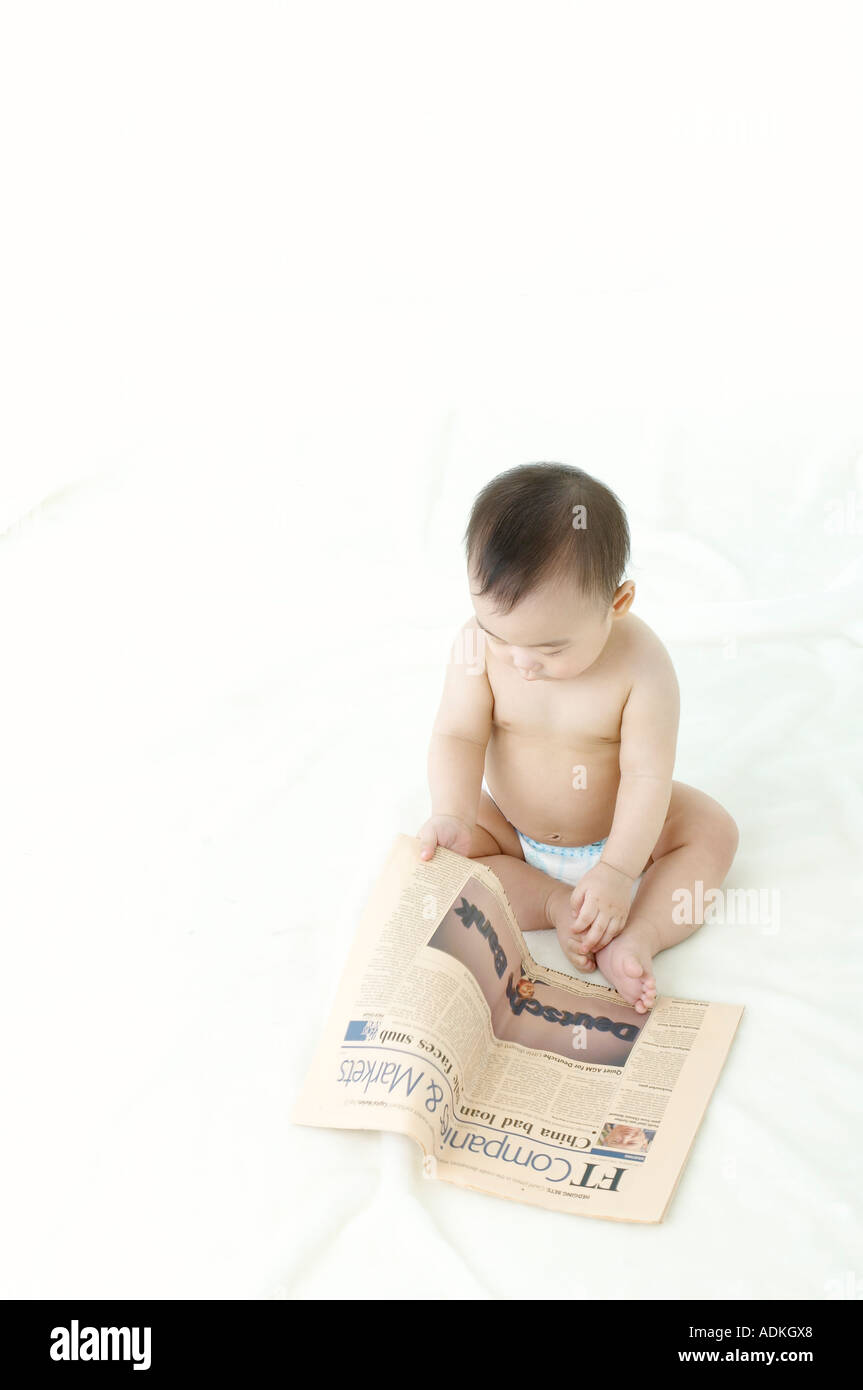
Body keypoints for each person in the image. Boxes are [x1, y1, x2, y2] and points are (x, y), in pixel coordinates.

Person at [416, 462, 739, 1014]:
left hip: (624, 839)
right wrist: (453, 813)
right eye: (499, 635)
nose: (522, 664)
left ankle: (640, 936)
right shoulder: (475, 648)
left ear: (617, 603)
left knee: (712, 831)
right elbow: (457, 735)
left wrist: (617, 869)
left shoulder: (642, 664)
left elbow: (646, 775)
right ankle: (557, 903)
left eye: (550, 649)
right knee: (449, 858)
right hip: (516, 835)